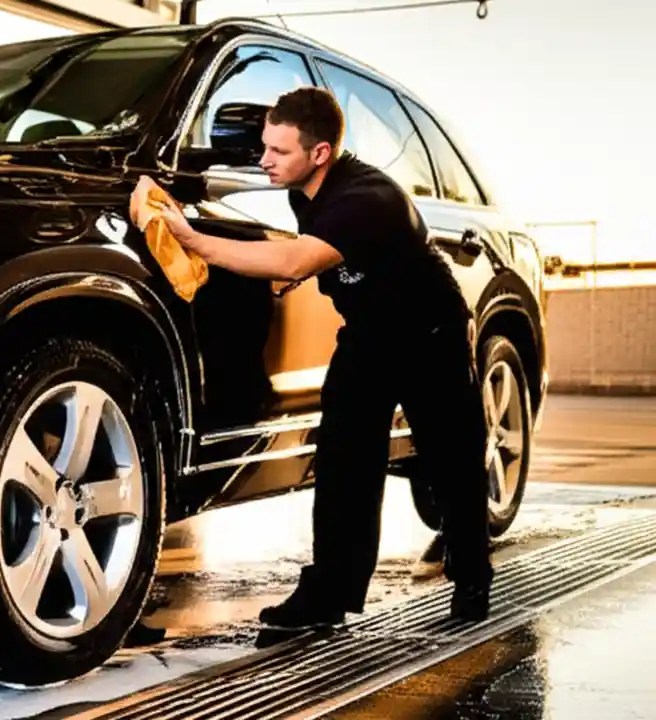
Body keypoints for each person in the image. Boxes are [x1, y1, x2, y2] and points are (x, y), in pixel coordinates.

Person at [141, 86, 493, 628]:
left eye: (279, 152)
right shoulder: (305, 192)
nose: (265, 161)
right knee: (344, 463)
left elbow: (298, 254)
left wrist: (195, 240)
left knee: (451, 461)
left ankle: (471, 580)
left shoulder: (368, 197)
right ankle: (329, 595)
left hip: (431, 334)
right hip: (369, 334)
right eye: (265, 146)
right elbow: (306, 262)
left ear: (321, 152)